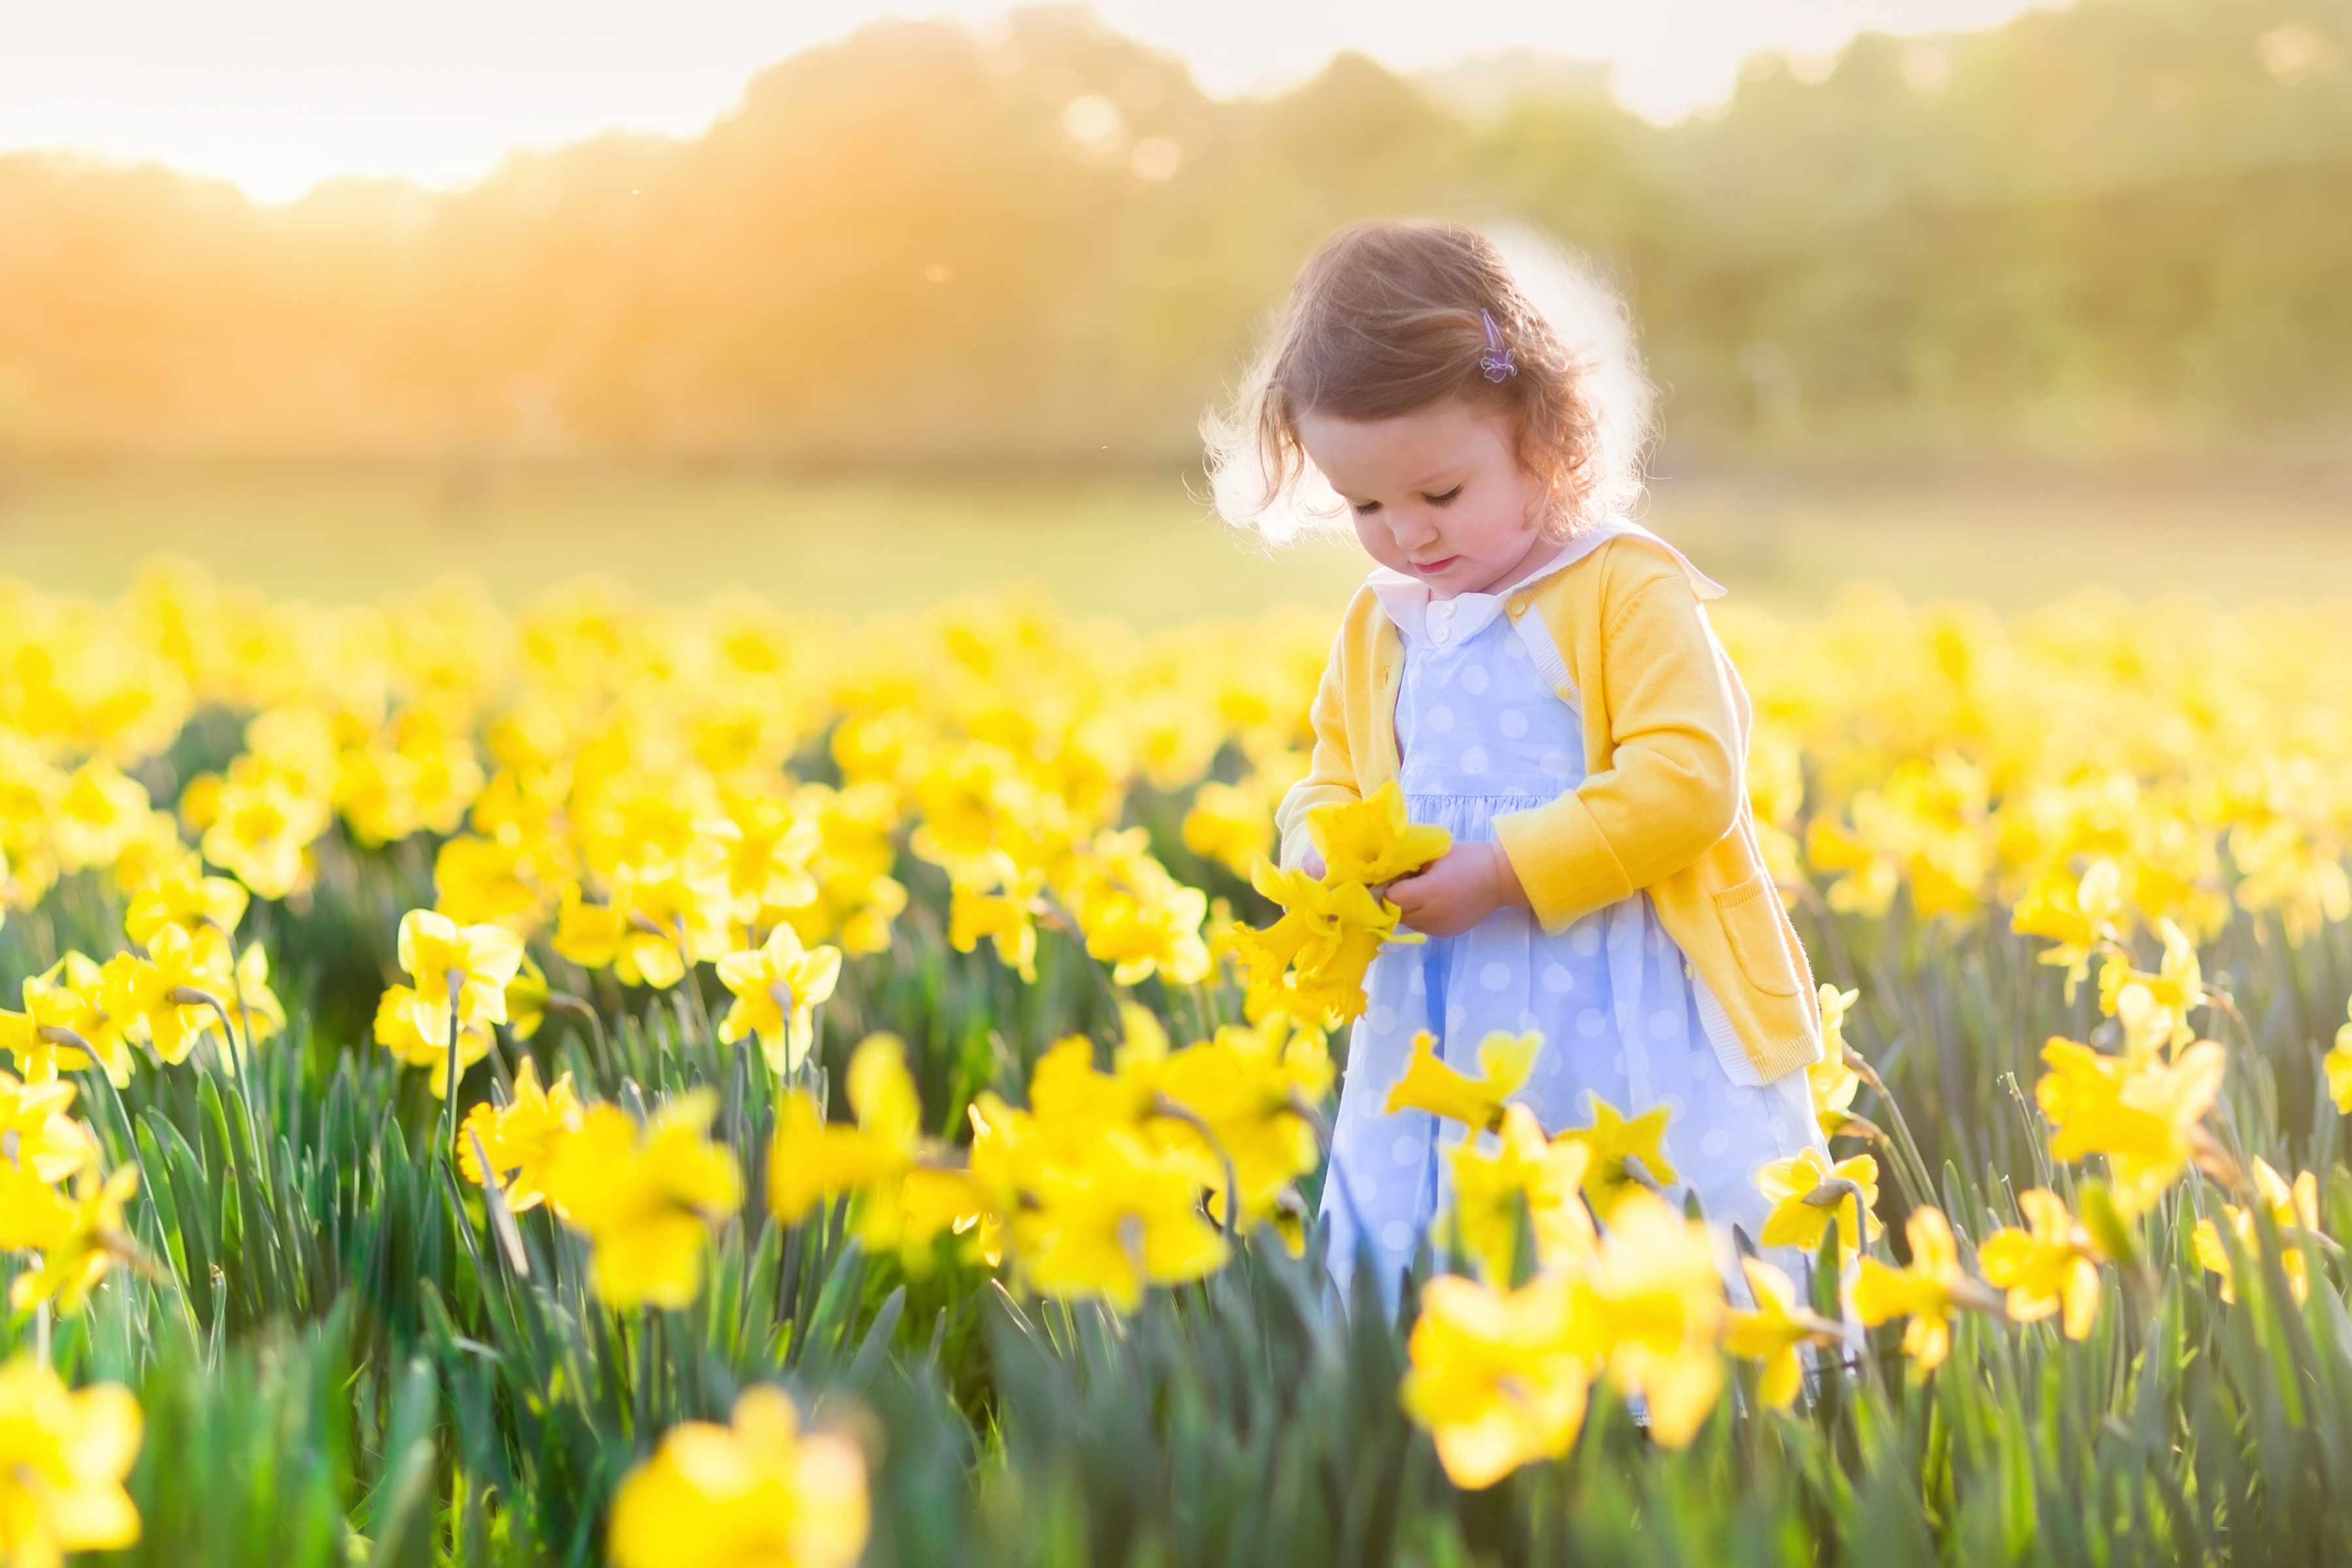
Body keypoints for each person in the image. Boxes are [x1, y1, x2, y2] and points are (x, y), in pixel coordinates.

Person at [1205, 219, 1830, 1301]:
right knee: (1450, 1233)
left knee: (1640, 1222)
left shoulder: (1624, 586)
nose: (1407, 534)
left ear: (1546, 439)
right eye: (1365, 505)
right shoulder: (1385, 619)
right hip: (1435, 1005)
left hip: (1627, 982)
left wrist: (1502, 872)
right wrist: (1319, 853)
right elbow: (1331, 777)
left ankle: (1685, 1427)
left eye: (1440, 495)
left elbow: (1689, 783)